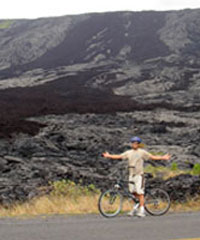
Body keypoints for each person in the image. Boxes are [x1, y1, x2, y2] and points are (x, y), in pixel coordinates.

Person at [102, 136, 171, 217]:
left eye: (136, 143)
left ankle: (142, 210)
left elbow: (152, 157)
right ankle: (136, 206)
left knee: (140, 192)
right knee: (133, 192)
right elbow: (119, 156)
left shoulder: (142, 152)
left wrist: (163, 157)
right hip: (131, 175)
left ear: (138, 144)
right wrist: (109, 156)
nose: (134, 144)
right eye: (133, 143)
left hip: (139, 175)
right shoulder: (129, 152)